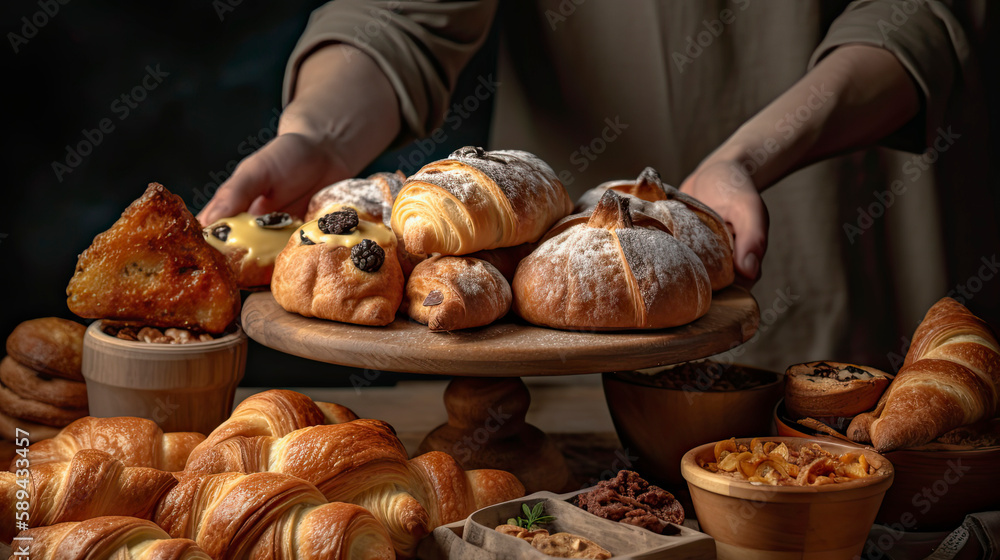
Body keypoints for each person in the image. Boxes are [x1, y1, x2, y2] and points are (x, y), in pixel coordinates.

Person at [197, 0, 996, 371]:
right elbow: (403, 14)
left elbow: (922, 14)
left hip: (850, 268)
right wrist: (317, 137)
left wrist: (747, 158)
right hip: (555, 332)